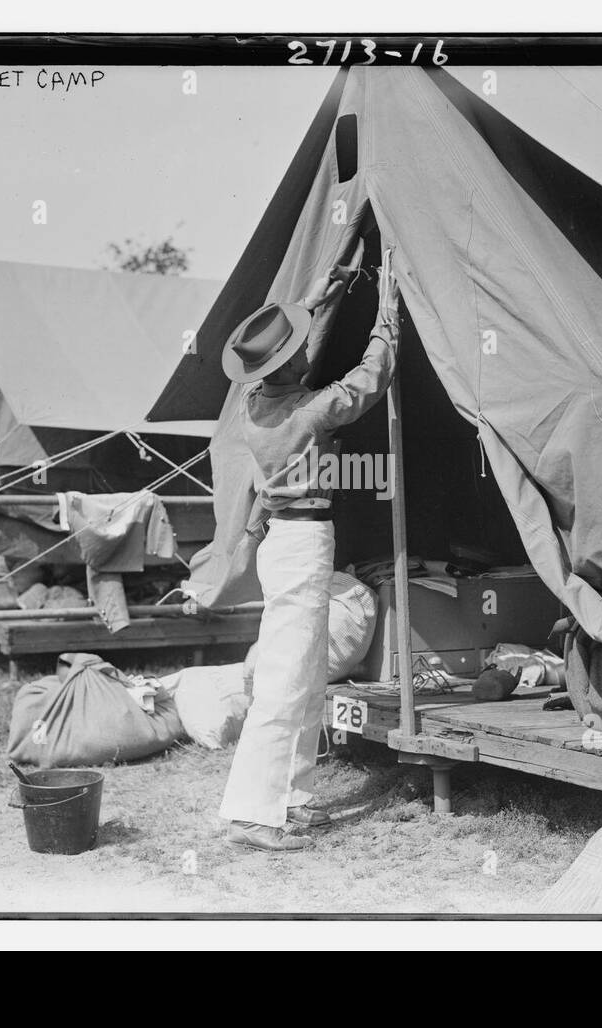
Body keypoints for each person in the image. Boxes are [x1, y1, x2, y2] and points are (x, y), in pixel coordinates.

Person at [218, 263, 402, 852]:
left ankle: (288, 795)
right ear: (294, 363)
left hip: (286, 541)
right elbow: (374, 374)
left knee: (305, 673)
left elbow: (273, 351)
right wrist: (386, 312)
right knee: (285, 681)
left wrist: (318, 300)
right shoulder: (315, 410)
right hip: (301, 543)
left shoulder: (251, 406)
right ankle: (252, 811)